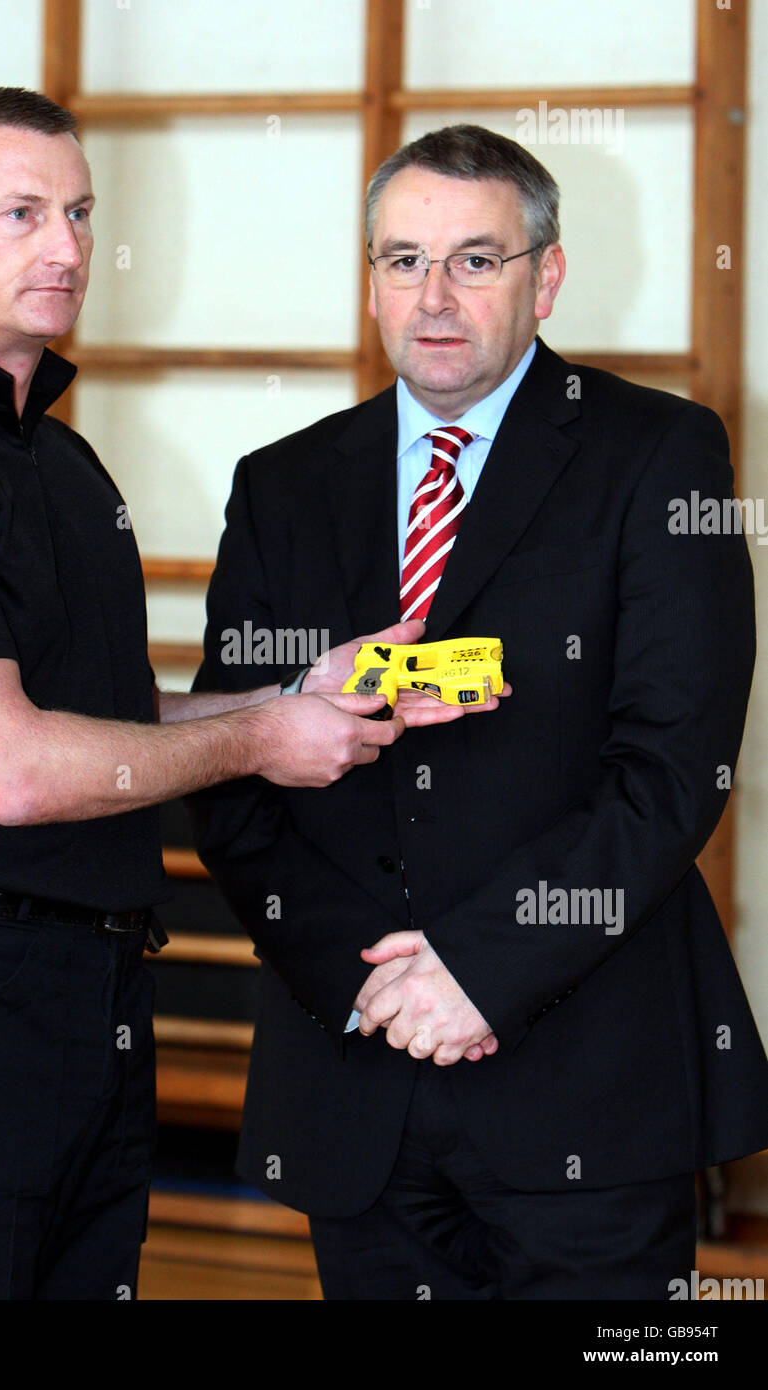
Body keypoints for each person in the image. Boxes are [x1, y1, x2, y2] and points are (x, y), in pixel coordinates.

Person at [0, 86, 461, 1300]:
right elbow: (14, 768)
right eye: (21, 213)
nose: (67, 247)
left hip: (95, 1003)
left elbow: (111, 725)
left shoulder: (64, 461)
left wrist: (301, 693)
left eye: (82, 213)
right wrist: (264, 738)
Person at [188, 124, 768, 1300]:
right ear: (368, 281)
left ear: (544, 277)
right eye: (402, 260)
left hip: (585, 1083)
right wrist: (366, 982)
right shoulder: (282, 483)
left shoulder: (657, 453)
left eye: (475, 259)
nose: (434, 296)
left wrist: (477, 971)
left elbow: (671, 772)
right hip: (355, 1079)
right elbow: (229, 760)